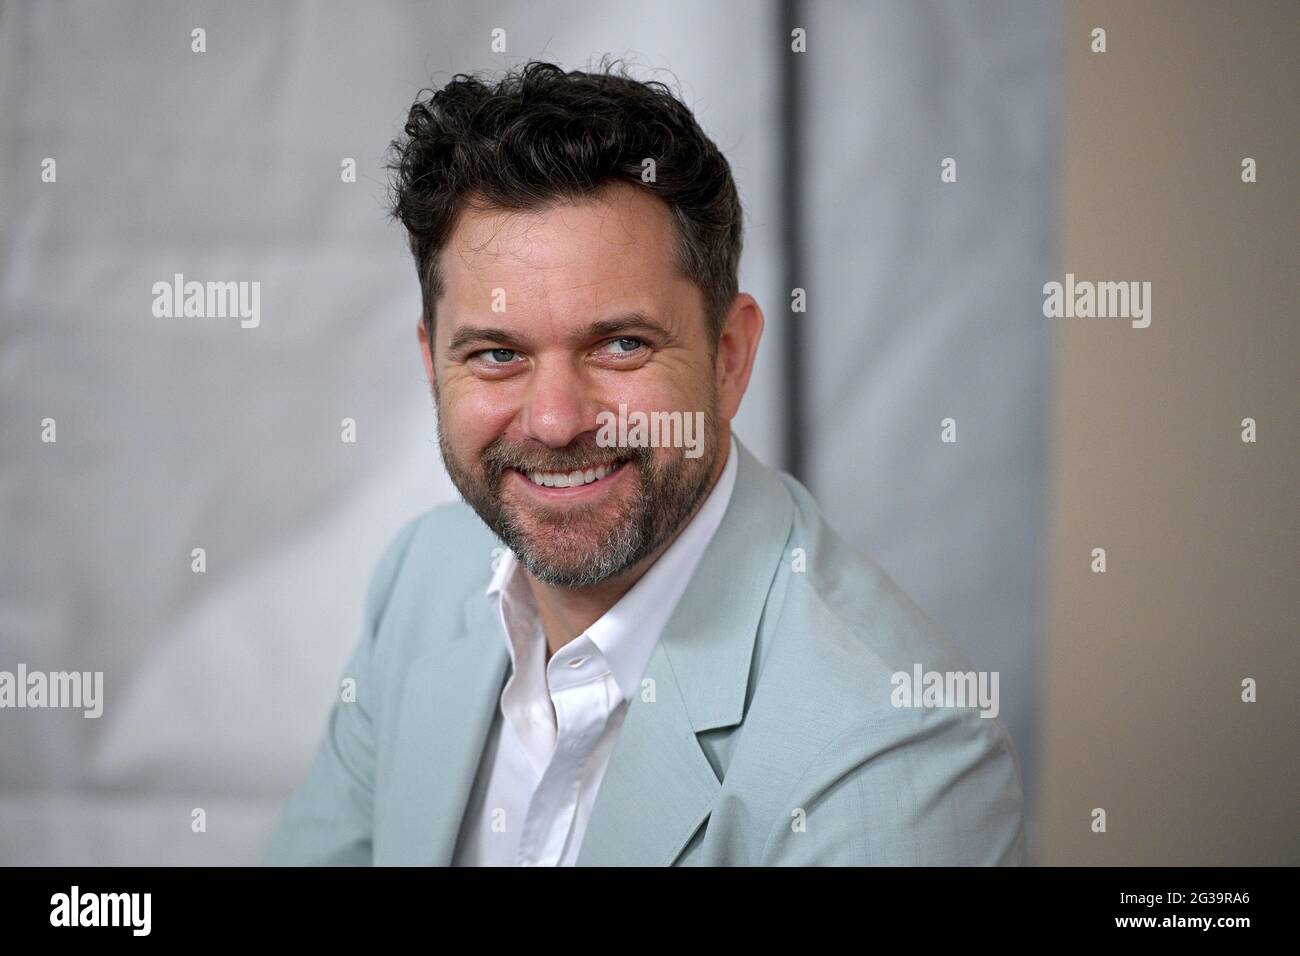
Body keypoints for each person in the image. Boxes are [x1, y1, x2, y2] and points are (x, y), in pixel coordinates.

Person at [265, 60, 1026, 866]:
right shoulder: (422, 577)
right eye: (496, 354)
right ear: (432, 367)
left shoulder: (891, 756)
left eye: (621, 345)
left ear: (729, 358)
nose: (557, 422)